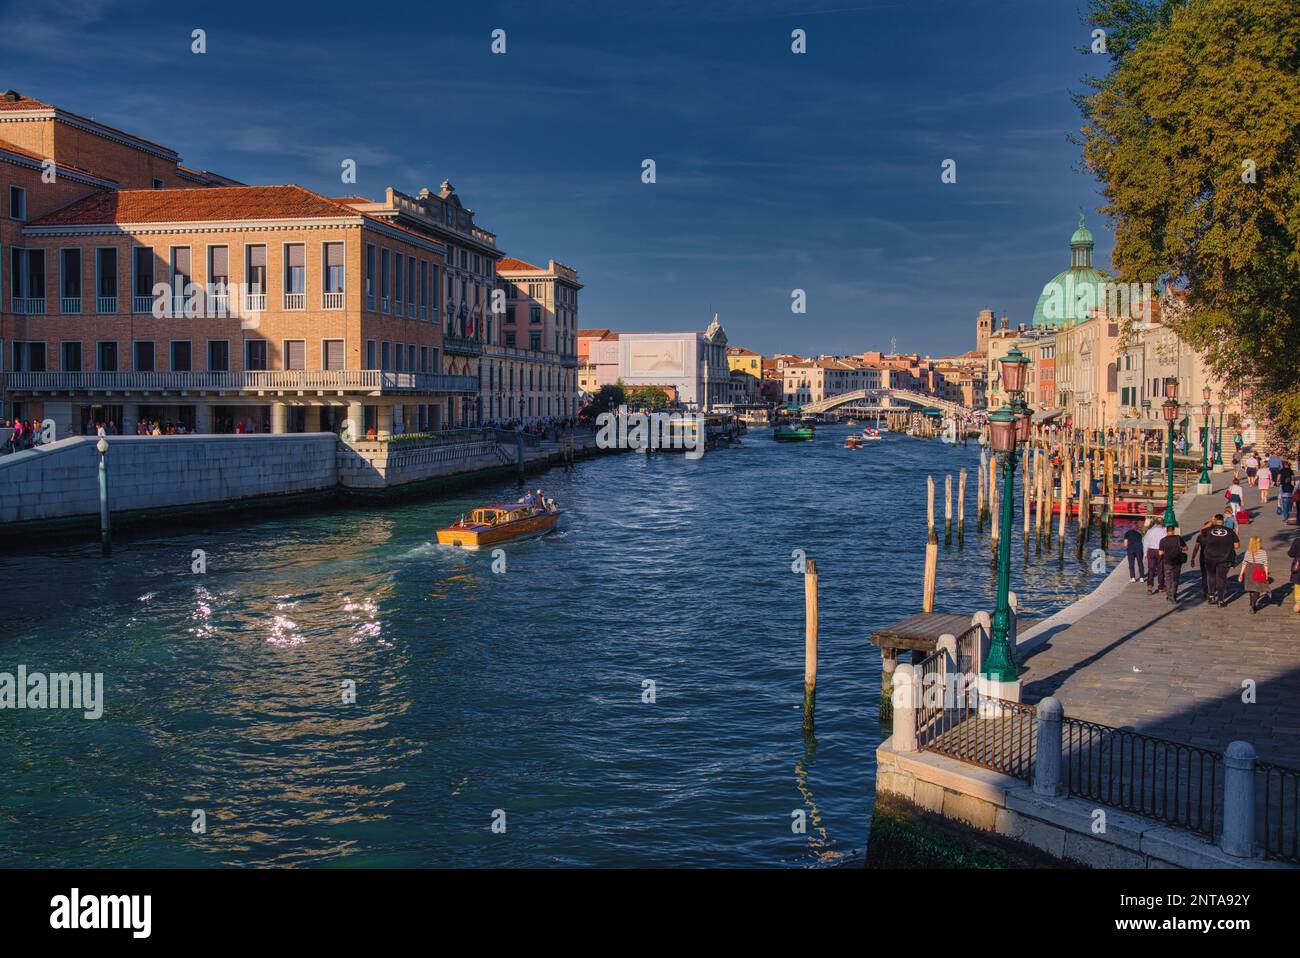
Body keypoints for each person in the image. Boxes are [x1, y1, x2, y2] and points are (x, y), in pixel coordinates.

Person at [1201, 517, 1239, 606]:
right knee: (1221, 579)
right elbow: (1237, 546)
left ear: (1215, 521)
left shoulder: (1209, 530)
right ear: (1223, 521)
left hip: (1210, 558)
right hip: (1225, 558)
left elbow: (1202, 530)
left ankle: (1211, 596)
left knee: (1211, 576)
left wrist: (1211, 521)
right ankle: (1221, 600)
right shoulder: (1230, 531)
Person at [1239, 535, 1270, 613]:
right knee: (1257, 589)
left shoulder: (1248, 552)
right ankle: (1253, 605)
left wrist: (1241, 574)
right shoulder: (1263, 552)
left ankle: (1251, 604)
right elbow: (1265, 564)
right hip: (1259, 570)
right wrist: (1266, 574)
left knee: (1251, 589)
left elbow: (1244, 563)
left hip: (1249, 571)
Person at [1158, 523, 1185, 602]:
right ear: (1173, 531)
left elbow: (1160, 553)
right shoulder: (1178, 538)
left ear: (1166, 531)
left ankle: (1169, 595)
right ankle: (1173, 595)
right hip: (1177, 561)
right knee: (1175, 579)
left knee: (1168, 579)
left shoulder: (1163, 540)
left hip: (1167, 562)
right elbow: (1185, 548)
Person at [1190, 518, 1216, 599]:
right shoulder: (1215, 536)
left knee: (1204, 575)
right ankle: (1211, 591)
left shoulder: (1200, 536)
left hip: (1203, 557)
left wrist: (1193, 558)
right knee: (1212, 575)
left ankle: (1206, 592)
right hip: (1213, 558)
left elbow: (1196, 548)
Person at [1142, 518, 1166, 594]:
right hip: (1160, 551)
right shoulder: (1164, 531)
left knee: (1151, 569)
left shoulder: (1150, 531)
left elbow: (1145, 542)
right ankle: (1161, 586)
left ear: (1155, 523)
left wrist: (1145, 553)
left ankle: (1149, 586)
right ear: (1162, 523)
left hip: (1151, 551)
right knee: (1160, 569)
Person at [1290, 533, 1300, 613]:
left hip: (1298, 567)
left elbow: (1291, 553)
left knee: (1297, 585)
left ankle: (1298, 603)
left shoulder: (1297, 541)